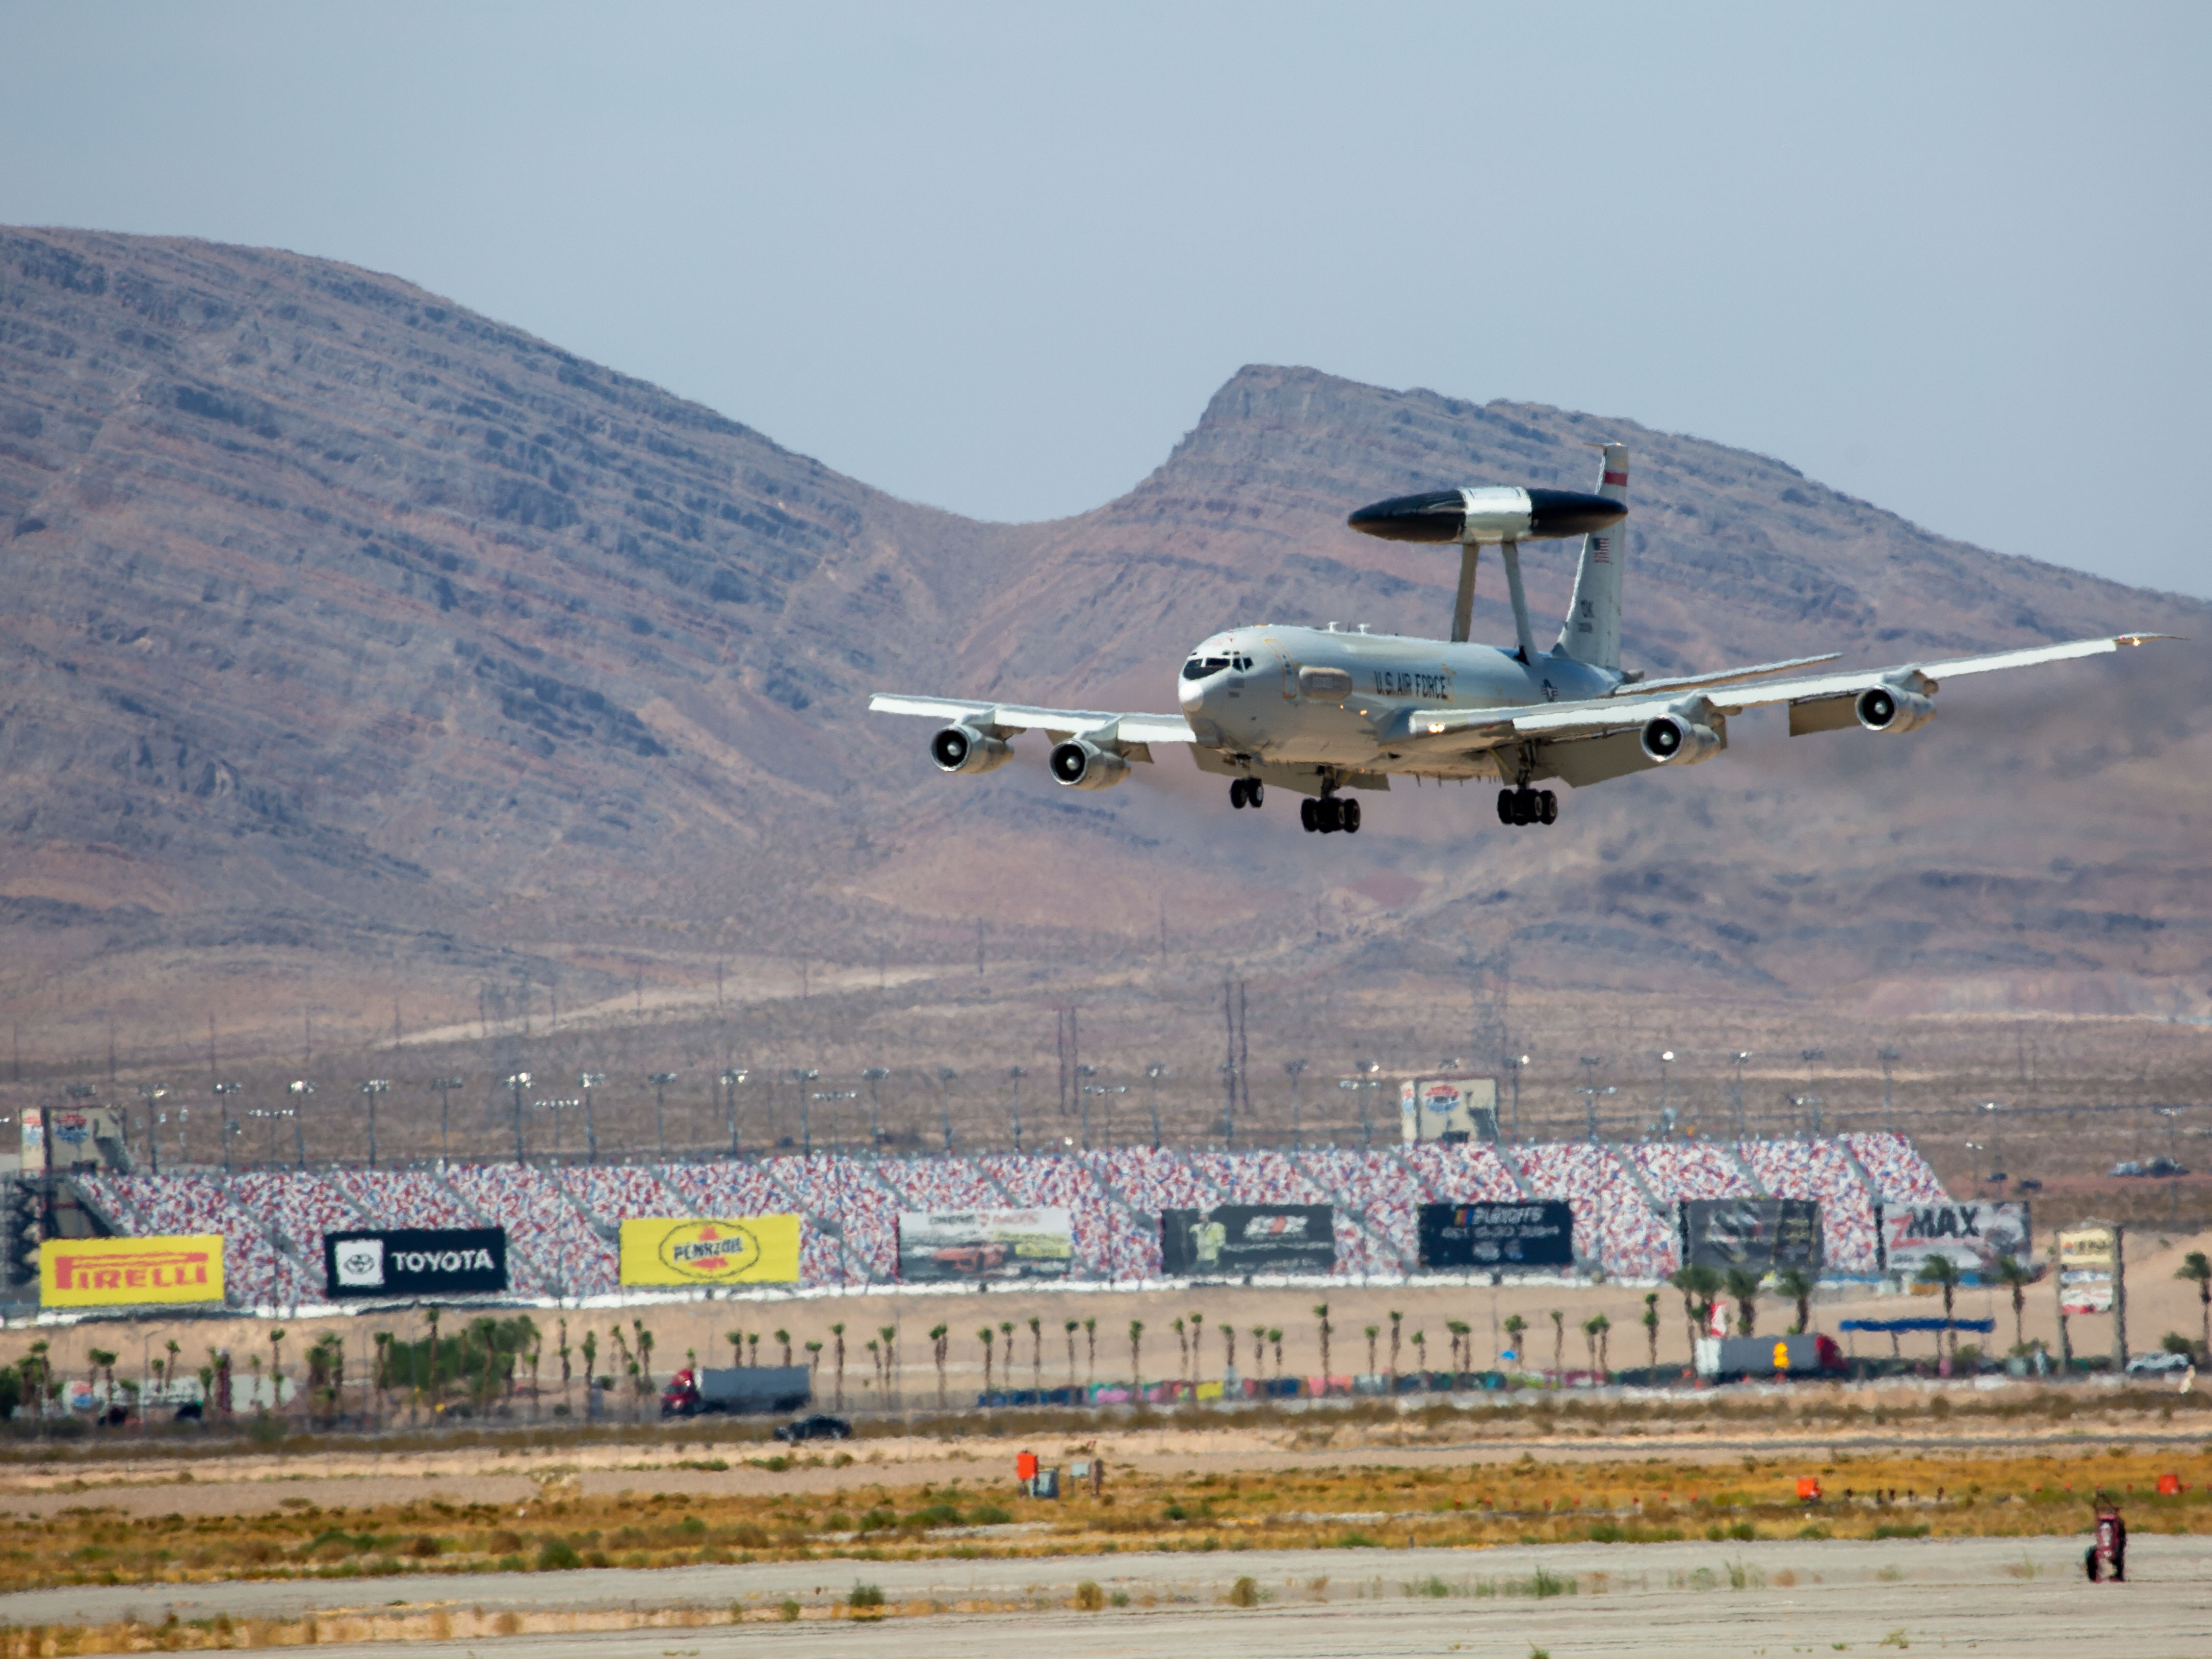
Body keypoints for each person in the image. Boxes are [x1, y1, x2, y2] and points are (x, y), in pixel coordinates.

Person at [2085, 1500, 2126, 1582]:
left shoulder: (2118, 1524)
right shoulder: (2106, 1523)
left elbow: (2121, 1538)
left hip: (2113, 1545)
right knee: (2091, 1553)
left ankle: (2119, 1575)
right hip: (2106, 1546)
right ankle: (2093, 1575)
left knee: (2118, 1554)